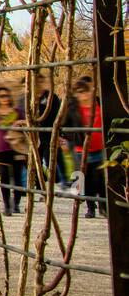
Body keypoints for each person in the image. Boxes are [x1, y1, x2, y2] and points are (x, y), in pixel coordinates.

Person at [63, 77, 107, 218]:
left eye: (85, 91)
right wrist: (75, 139)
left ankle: (103, 206)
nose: (82, 95)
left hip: (100, 149)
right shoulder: (72, 108)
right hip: (82, 150)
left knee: (100, 180)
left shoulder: (99, 103)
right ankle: (90, 208)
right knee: (86, 180)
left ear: (90, 91)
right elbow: (64, 127)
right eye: (79, 92)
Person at [0, 85, 26, 215]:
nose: (4, 98)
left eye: (6, 95)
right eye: (1, 96)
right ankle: (7, 206)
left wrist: (19, 123)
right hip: (1, 149)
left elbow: (26, 125)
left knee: (17, 178)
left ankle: (16, 203)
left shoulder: (17, 112)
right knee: (4, 176)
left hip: (17, 148)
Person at [32, 79, 69, 193]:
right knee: (35, 161)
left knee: (52, 160)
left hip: (50, 134)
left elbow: (57, 115)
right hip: (36, 136)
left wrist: (59, 134)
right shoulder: (31, 98)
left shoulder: (51, 97)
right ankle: (40, 186)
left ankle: (64, 183)